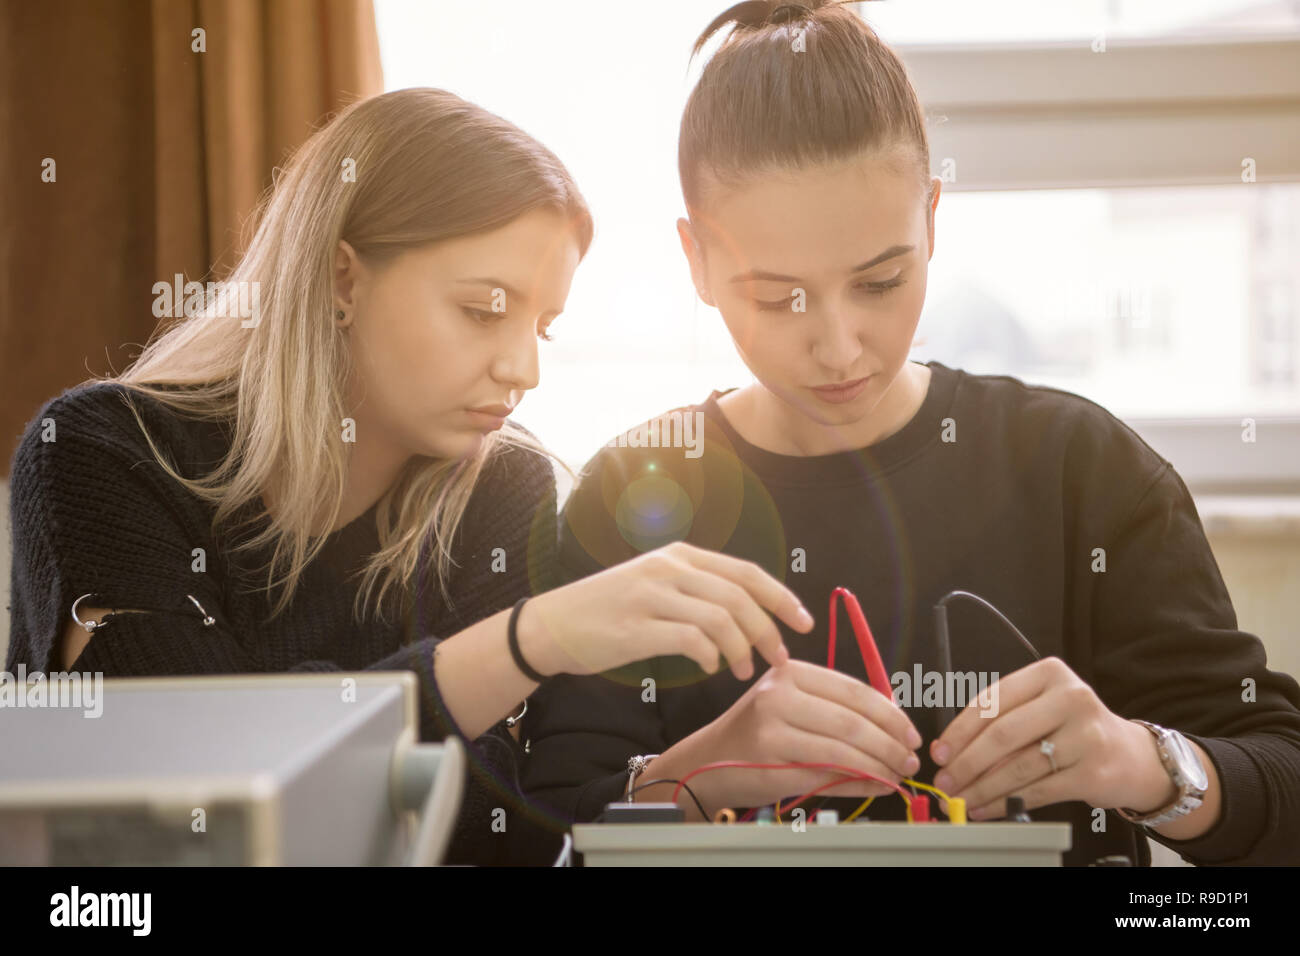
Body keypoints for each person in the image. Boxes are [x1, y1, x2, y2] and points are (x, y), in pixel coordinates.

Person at [519, 1, 1300, 866]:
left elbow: (1282, 781)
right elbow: (544, 833)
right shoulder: (634, 494)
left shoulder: (1082, 470)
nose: (839, 346)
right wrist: (696, 775)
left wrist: (1143, 763)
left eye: (882, 282)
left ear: (930, 221)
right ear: (696, 259)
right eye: (779, 298)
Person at [4, 87, 815, 866]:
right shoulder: (97, 450)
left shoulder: (501, 488)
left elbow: (487, 836)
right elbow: (194, 786)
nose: (524, 366)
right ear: (342, 278)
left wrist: (698, 770)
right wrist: (528, 641)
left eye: (544, 327)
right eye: (483, 308)